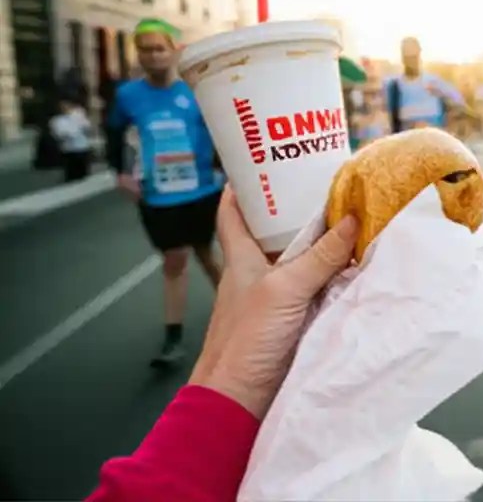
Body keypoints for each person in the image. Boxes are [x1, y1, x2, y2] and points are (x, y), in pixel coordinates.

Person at [86, 190, 359, 502]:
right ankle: (189, 324)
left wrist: (229, 377)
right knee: (176, 262)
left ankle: (238, 302)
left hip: (196, 195)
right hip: (165, 199)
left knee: (205, 254)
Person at [105, 18, 225, 367]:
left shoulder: (195, 89)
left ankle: (235, 312)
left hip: (201, 190)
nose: (153, 56)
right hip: (158, 194)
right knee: (174, 260)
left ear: (174, 51)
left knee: (205, 254)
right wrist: (121, 173)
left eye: (160, 48)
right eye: (145, 50)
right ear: (137, 55)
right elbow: (114, 133)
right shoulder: (128, 95)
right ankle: (173, 339)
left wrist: (224, 168)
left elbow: (220, 130)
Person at [386, 37, 466, 132]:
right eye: (407, 57)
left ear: (419, 55)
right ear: (402, 58)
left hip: (434, 139)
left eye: (414, 57)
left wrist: (443, 96)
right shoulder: (394, 86)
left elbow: (459, 101)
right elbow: (387, 119)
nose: (411, 62)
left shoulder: (434, 82)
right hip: (407, 141)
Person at [50, 96, 94, 182]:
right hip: (68, 146)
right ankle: (72, 176)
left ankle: (81, 174)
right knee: (71, 166)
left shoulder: (79, 114)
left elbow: (86, 126)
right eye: (62, 106)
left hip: (81, 145)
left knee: (81, 165)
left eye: (66, 105)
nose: (64, 108)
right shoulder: (57, 120)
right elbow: (57, 132)